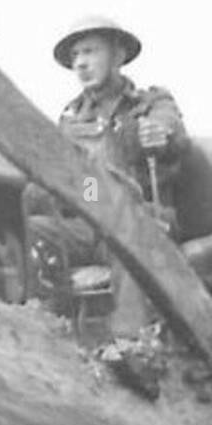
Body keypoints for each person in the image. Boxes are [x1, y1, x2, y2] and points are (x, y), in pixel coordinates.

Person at [23, 16, 190, 310]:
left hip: (141, 216)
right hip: (85, 225)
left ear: (118, 55)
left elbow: (171, 129)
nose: (81, 63)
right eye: (75, 55)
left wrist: (158, 133)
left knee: (132, 233)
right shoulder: (70, 117)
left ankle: (133, 342)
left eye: (90, 52)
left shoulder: (149, 103)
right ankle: (52, 328)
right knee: (30, 230)